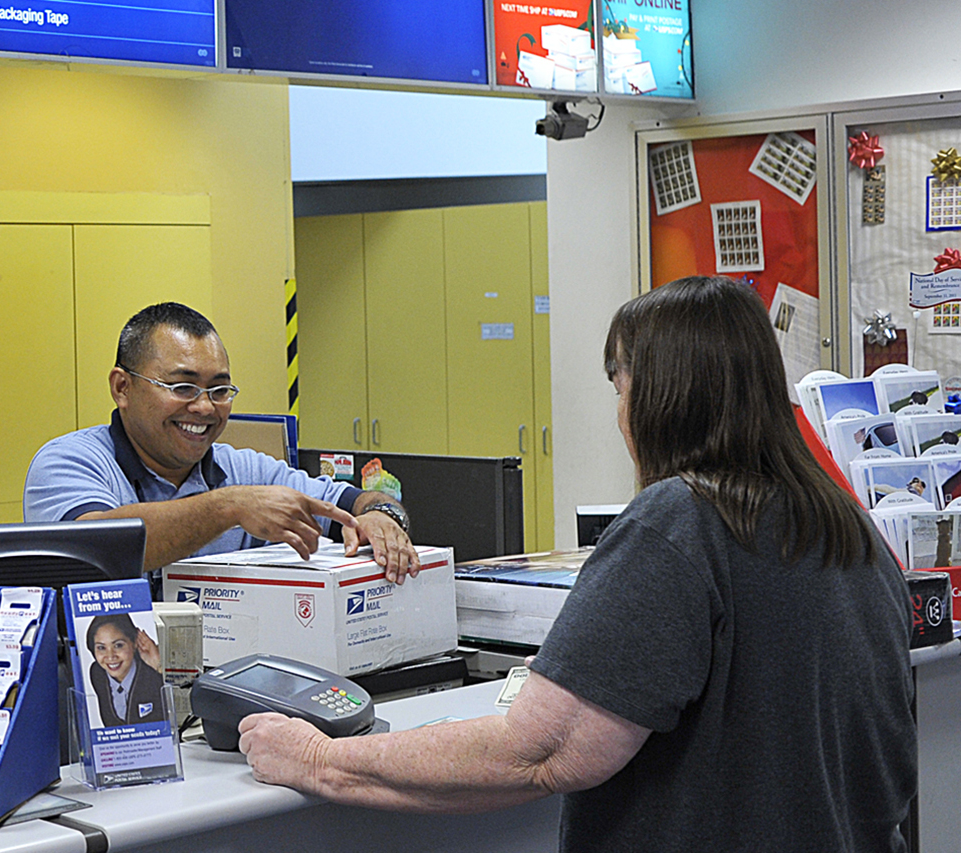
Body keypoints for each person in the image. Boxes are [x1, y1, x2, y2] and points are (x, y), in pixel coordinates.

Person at [238, 276, 917, 852]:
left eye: (619, 386)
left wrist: (320, 758)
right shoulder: (845, 523)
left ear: (658, 395)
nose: (619, 413)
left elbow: (535, 750)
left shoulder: (675, 523)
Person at [23, 302, 420, 582]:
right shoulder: (69, 462)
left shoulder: (244, 470)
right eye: (182, 387)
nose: (203, 408)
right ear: (122, 387)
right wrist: (229, 506)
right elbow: (95, 547)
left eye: (219, 390)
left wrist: (383, 520)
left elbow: (355, 503)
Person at [85, 614, 165, 726]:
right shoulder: (97, 673)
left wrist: (159, 667)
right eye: (101, 648)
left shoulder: (152, 673)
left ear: (134, 642)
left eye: (118, 645)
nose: (110, 656)